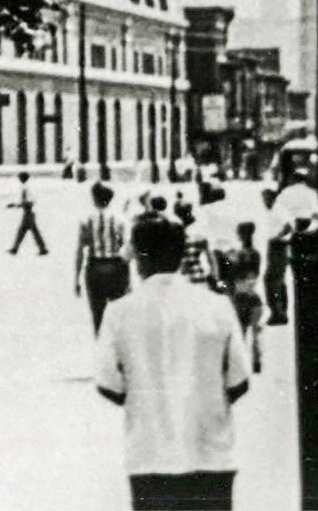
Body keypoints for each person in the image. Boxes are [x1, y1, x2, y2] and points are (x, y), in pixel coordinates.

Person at [94, 214, 252, 509]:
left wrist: (147, 399)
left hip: (149, 458)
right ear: (181, 255)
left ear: (138, 259)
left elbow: (108, 385)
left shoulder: (119, 313)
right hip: (211, 458)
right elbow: (239, 381)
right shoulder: (217, 307)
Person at [77, 181, 134, 334]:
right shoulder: (120, 219)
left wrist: (76, 279)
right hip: (116, 267)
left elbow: (80, 250)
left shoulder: (86, 220)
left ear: (94, 198)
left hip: (95, 268)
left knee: (98, 315)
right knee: (120, 313)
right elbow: (128, 246)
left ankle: (102, 352)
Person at [213, 222, 265, 374]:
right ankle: (257, 362)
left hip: (239, 298)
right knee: (257, 332)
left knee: (239, 332)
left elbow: (227, 271)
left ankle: (239, 364)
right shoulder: (255, 254)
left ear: (240, 235)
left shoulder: (236, 255)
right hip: (254, 296)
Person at [11, 170, 50, 256]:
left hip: (28, 212)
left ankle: (15, 248)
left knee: (26, 231)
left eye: (20, 178)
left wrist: (16, 205)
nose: (19, 180)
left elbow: (29, 201)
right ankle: (15, 248)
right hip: (28, 212)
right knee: (26, 231)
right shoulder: (25, 187)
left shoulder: (27, 188)